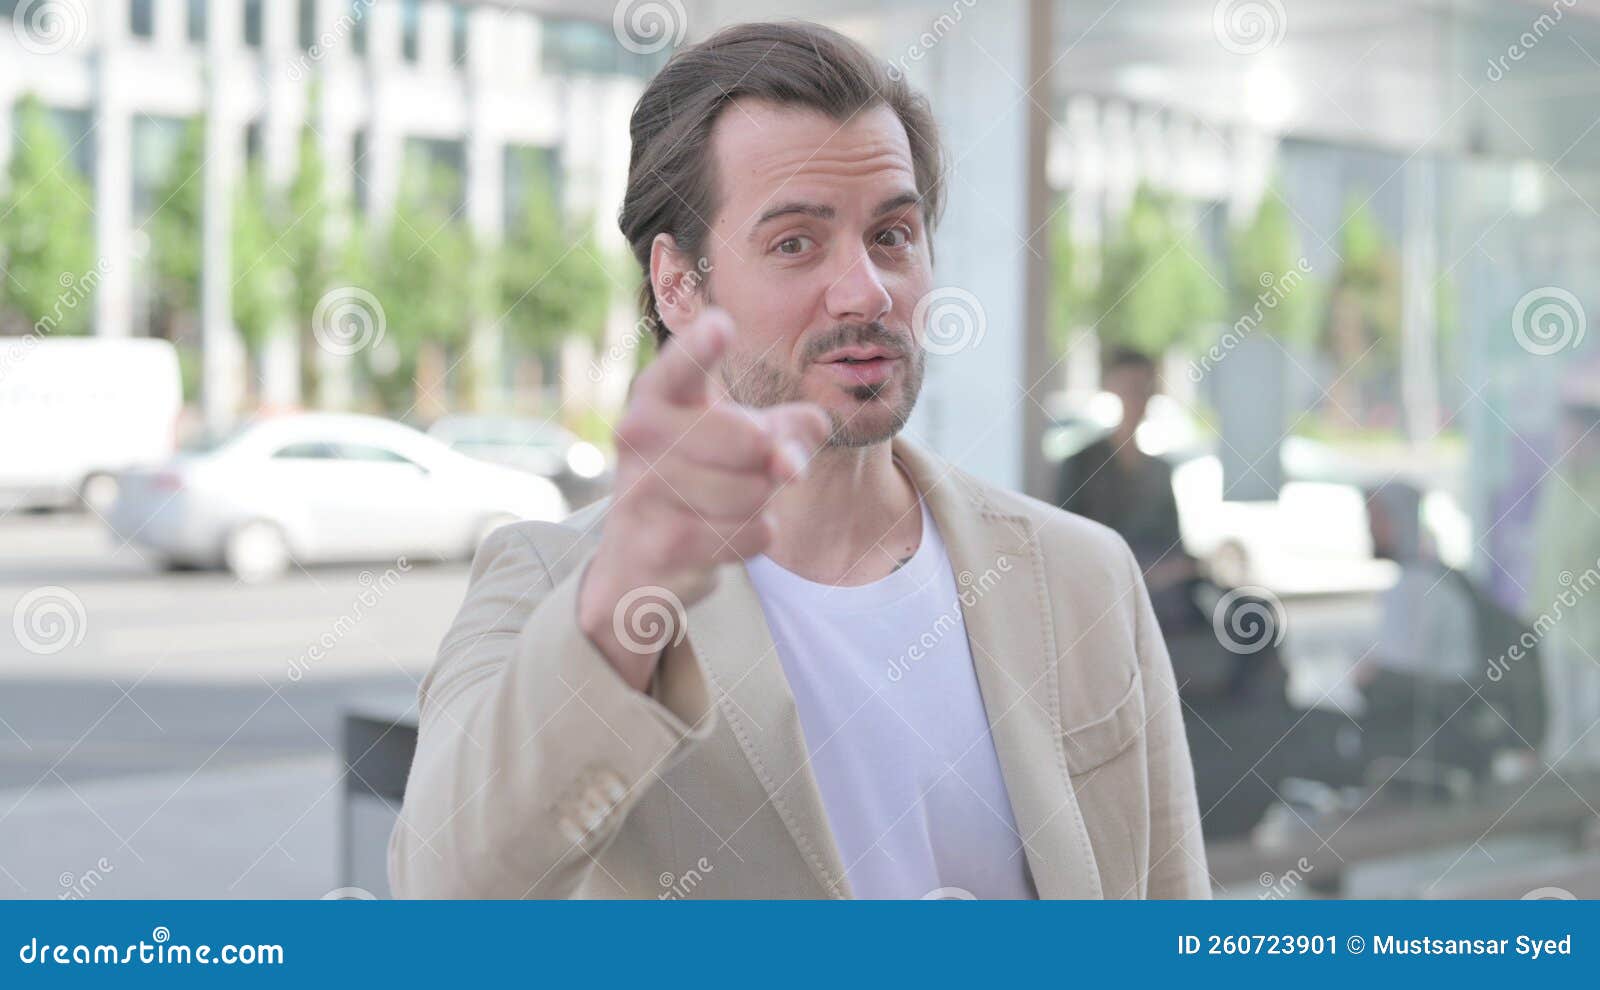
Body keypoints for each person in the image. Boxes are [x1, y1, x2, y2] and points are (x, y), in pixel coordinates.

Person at [389, 21, 1206, 900]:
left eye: (893, 234)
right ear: (677, 283)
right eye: (794, 243)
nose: (867, 290)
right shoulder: (554, 585)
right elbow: (443, 885)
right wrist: (622, 595)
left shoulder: (1081, 577)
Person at [1056, 348, 1199, 630]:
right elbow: (1065, 541)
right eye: (1130, 388)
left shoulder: (1159, 470)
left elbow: (1175, 544)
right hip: (1105, 593)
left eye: (1144, 390)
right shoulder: (1081, 464)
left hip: (1161, 595)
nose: (1137, 400)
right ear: (1113, 390)